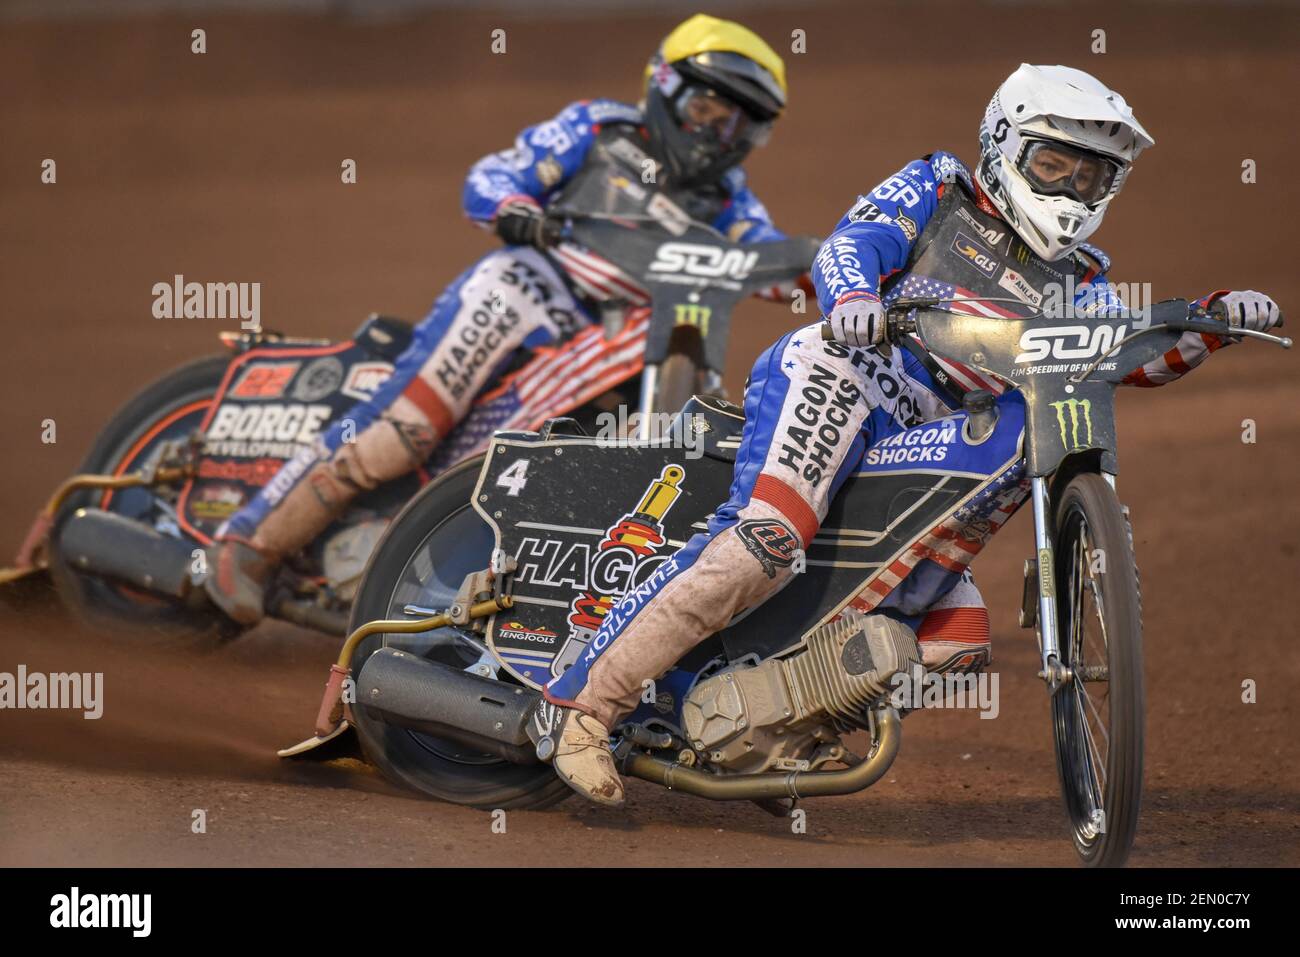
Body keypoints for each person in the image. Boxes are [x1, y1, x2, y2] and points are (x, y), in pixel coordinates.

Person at [536, 63, 1285, 806]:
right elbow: (852, 243)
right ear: (1005, 145)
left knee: (958, 636)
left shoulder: (1081, 280)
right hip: (850, 373)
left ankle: (763, 728)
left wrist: (1212, 321)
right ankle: (582, 707)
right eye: (1053, 165)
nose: (1069, 189)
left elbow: (1123, 355)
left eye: (1090, 176)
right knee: (767, 538)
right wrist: (854, 297)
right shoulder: (939, 188)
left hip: (933, 433)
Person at [205, 14, 800, 624]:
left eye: (741, 125)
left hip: (618, 343)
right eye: (707, 111)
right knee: (401, 434)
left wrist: (833, 271)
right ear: (665, 87)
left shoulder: (730, 202)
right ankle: (249, 541)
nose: (719, 134)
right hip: (528, 290)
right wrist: (515, 208)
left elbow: (774, 261)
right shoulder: (598, 131)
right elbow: (492, 176)